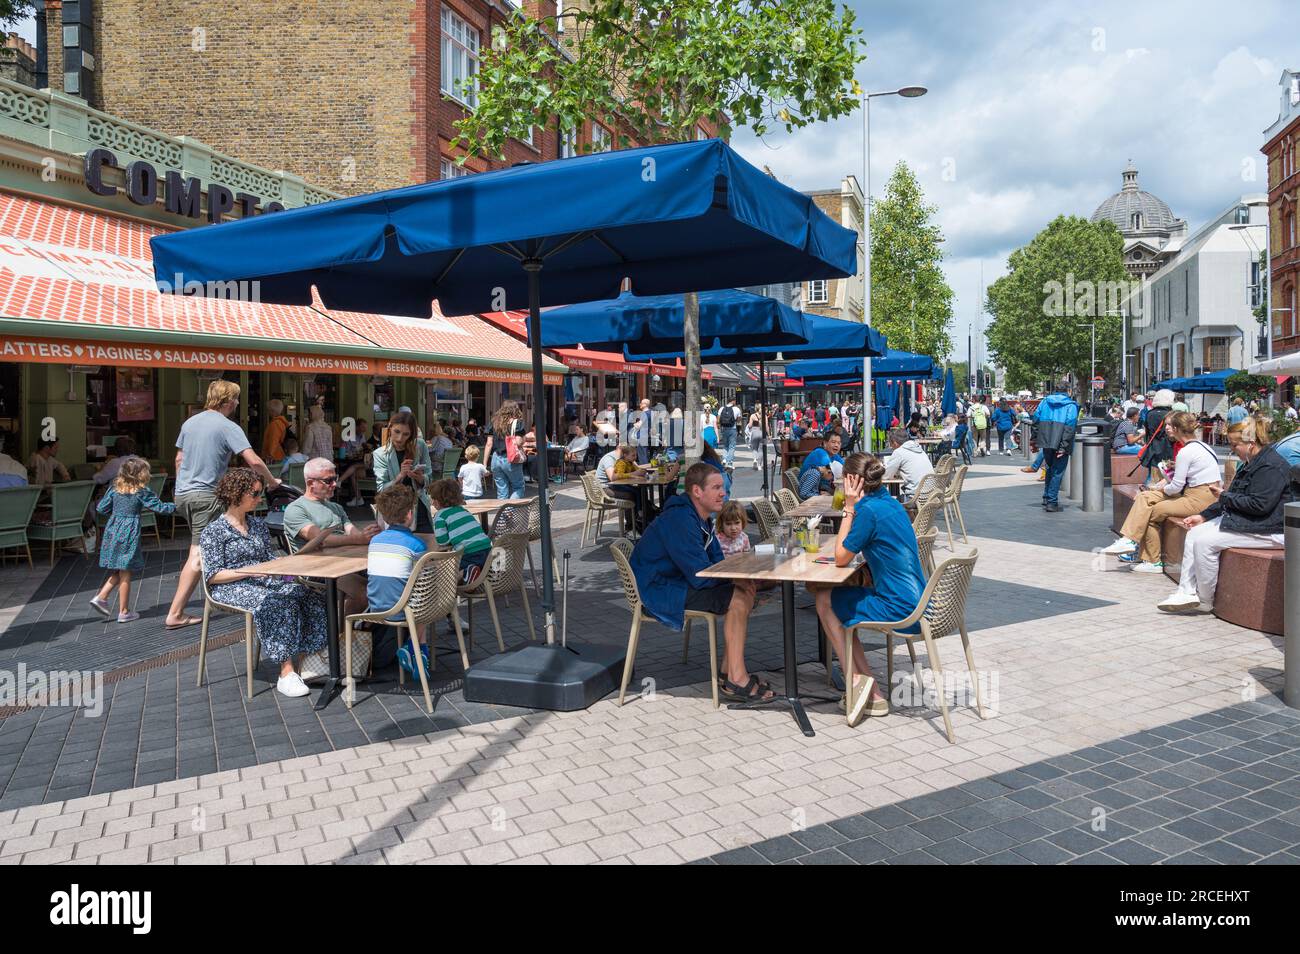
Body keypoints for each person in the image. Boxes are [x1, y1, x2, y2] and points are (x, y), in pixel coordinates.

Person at [630, 462, 766, 701]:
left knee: (745, 589)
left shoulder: (699, 518)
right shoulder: (681, 520)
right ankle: (735, 678)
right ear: (697, 492)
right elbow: (700, 575)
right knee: (737, 596)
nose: (723, 493)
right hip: (659, 591)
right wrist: (734, 580)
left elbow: (715, 560)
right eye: (716, 487)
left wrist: (738, 578)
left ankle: (730, 671)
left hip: (674, 582)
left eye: (722, 487)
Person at [812, 453, 925, 726]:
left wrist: (849, 506)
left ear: (852, 481)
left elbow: (840, 557)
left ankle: (862, 685)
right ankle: (867, 686)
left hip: (900, 607)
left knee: (824, 600)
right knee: (838, 597)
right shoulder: (891, 503)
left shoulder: (868, 512)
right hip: (920, 600)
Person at [199, 468, 328, 698]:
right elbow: (213, 575)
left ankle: (305, 662)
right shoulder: (214, 531)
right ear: (236, 494)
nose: (260, 499)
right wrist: (249, 571)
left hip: (262, 580)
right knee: (278, 603)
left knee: (307, 594)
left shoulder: (257, 525)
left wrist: (282, 564)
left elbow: (267, 558)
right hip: (228, 587)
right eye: (255, 493)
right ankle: (286, 672)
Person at [166, 380, 280, 630]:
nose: (238, 403)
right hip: (205, 495)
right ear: (228, 401)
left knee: (200, 547)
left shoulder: (190, 422)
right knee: (197, 555)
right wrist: (271, 481)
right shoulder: (228, 427)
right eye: (237, 399)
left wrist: (182, 487)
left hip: (183, 494)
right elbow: (254, 461)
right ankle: (175, 613)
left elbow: (179, 458)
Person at [1158, 415, 1293, 613]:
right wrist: (1203, 516)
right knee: (1194, 533)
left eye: (1234, 444)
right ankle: (1186, 591)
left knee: (1205, 543)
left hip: (1271, 528)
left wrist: (1223, 497)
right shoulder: (1253, 461)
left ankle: (1204, 600)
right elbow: (1234, 496)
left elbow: (1259, 506)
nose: (1231, 449)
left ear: (1251, 443)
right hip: (1256, 521)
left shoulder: (1270, 466)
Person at [1104, 412, 1222, 572]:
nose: (1165, 428)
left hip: (1198, 499)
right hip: (1200, 494)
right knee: (1145, 497)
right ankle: (1129, 540)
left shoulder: (1186, 452)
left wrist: (1158, 488)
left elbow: (1176, 487)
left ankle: (1152, 560)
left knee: (1153, 511)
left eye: (1169, 425)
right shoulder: (1202, 446)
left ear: (1177, 428)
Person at [282, 457, 379, 613]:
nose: (335, 484)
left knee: (385, 586)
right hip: (316, 569)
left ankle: (361, 630)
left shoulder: (335, 507)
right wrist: (358, 539)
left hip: (344, 563)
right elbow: (321, 539)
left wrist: (368, 534)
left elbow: (353, 532)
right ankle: (337, 635)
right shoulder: (296, 509)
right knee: (364, 593)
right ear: (310, 483)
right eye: (328, 481)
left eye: (336, 478)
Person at [89, 458, 175, 623]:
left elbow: (101, 508)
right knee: (126, 571)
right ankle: (124, 611)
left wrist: (116, 512)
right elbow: (160, 508)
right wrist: (177, 506)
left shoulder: (115, 488)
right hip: (129, 530)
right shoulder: (141, 491)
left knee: (120, 567)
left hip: (113, 529)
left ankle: (102, 596)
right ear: (141, 474)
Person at [368, 484, 433, 680]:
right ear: (410, 514)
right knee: (427, 594)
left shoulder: (374, 541)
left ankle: (417, 650)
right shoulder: (417, 544)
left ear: (384, 517)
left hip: (376, 607)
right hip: (403, 611)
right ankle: (415, 647)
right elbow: (425, 581)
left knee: (416, 596)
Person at [374, 409, 435, 528]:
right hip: (394, 512)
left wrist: (421, 478)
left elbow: (430, 479)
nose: (399, 438)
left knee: (426, 543)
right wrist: (399, 476)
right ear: (390, 428)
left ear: (411, 434)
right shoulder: (380, 454)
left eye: (406, 434)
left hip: (418, 508)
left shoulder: (420, 446)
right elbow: (382, 489)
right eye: (397, 431)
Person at [430, 477, 494, 586]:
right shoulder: (464, 510)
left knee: (450, 571)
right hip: (487, 548)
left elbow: (442, 541)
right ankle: (491, 572)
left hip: (468, 553)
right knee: (482, 564)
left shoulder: (440, 516)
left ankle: (467, 573)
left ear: (435, 502)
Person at [1032, 381, 1078, 513]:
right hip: (1060, 443)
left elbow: (1035, 419)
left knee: (1050, 468)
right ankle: (1052, 502)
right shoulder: (1071, 406)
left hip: (1046, 441)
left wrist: (1034, 439)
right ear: (1068, 391)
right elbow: (1070, 427)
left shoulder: (1044, 402)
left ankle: (1047, 497)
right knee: (1058, 472)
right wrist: (1064, 447)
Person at [484, 401, 526, 499]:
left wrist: (485, 463)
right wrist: (524, 439)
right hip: (510, 459)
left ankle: (503, 514)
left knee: (502, 490)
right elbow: (519, 442)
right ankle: (509, 511)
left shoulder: (494, 422)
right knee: (519, 487)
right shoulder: (517, 423)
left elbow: (489, 444)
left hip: (495, 458)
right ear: (515, 409)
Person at [881, 427, 934, 502]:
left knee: (889, 502)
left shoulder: (899, 452)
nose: (891, 447)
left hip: (915, 497)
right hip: (931, 494)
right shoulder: (919, 448)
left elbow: (886, 476)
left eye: (890, 443)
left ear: (894, 442)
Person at [799, 430, 843, 500]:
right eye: (833, 442)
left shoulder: (834, 455)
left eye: (839, 443)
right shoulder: (820, 453)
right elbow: (829, 472)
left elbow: (845, 468)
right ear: (825, 443)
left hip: (819, 490)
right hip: (809, 497)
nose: (836, 445)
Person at [339, 419, 373, 507]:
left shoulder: (362, 436)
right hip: (351, 460)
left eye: (365, 428)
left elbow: (361, 448)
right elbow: (347, 451)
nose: (364, 430)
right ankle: (358, 498)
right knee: (353, 472)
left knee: (354, 470)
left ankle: (340, 481)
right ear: (356, 427)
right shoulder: (349, 435)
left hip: (361, 462)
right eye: (362, 427)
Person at [718, 398, 739, 470]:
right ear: (733, 401)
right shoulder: (736, 409)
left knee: (725, 445)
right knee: (732, 446)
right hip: (732, 429)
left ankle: (724, 459)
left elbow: (718, 419)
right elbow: (739, 419)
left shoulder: (721, 408)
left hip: (724, 429)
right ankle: (729, 463)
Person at [746, 405, 764, 471]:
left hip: (754, 433)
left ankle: (755, 459)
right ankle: (759, 465)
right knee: (761, 449)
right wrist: (769, 435)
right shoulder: (764, 416)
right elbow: (767, 426)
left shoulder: (752, 416)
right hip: (762, 434)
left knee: (755, 448)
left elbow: (750, 425)